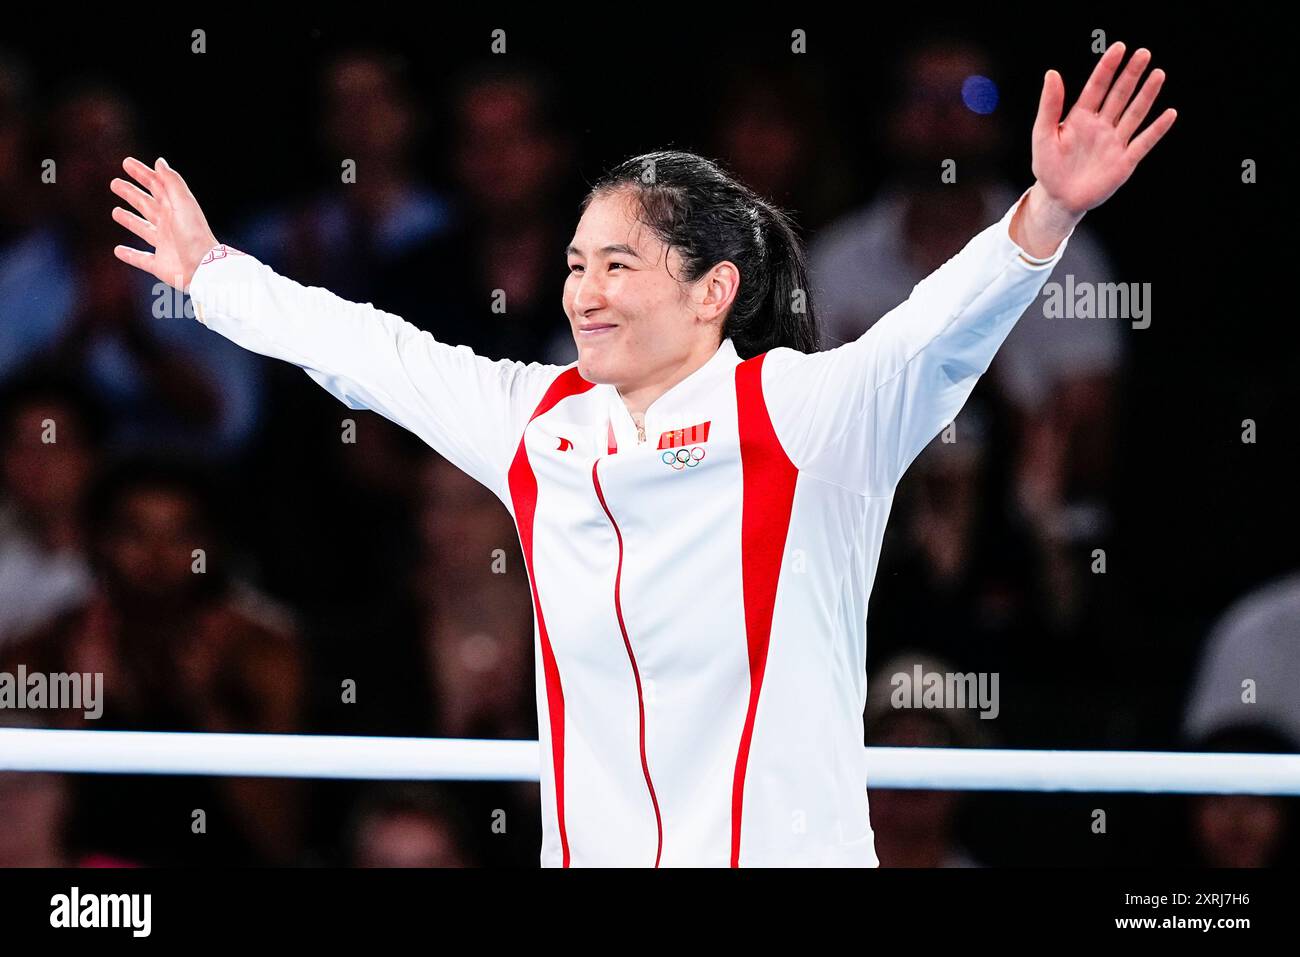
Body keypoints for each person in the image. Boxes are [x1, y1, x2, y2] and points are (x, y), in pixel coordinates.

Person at [109, 42, 1174, 866]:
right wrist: (211, 275)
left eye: (618, 263)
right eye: (575, 264)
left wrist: (1044, 213)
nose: (584, 291)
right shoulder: (540, 424)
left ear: (713, 290)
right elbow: (376, 354)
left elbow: (932, 333)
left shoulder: (806, 416)